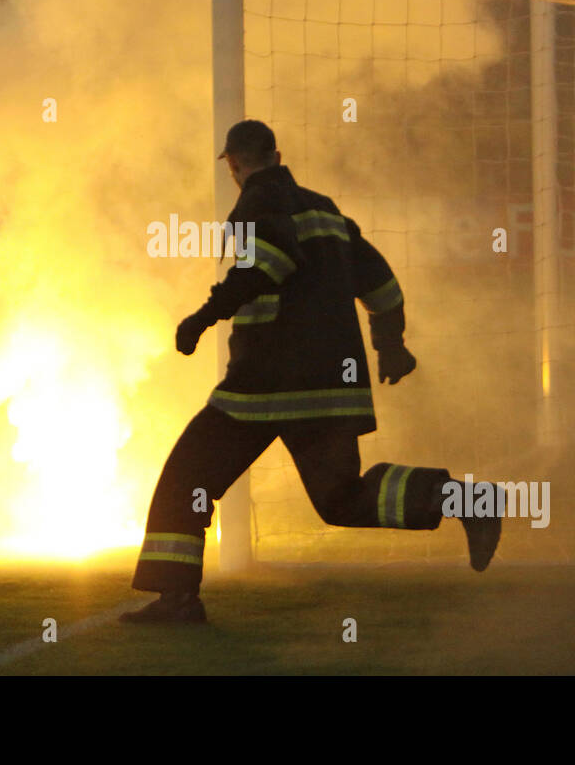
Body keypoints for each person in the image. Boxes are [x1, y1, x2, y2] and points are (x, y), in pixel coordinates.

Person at [121, 120, 502, 624]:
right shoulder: (326, 211)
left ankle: (177, 600)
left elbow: (269, 264)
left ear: (232, 164)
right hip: (329, 391)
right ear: (277, 155)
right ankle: (464, 498)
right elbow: (382, 284)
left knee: (188, 477)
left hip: (261, 388)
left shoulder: (256, 203)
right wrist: (391, 346)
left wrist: (203, 317)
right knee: (341, 499)